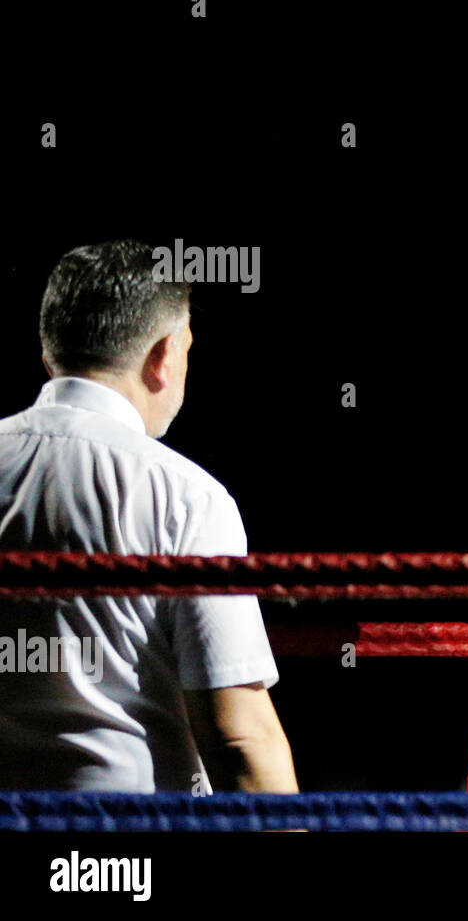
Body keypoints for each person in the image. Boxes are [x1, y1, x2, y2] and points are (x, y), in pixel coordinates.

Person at [0, 240, 298, 793]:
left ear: (50, 355)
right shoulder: (186, 496)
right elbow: (240, 739)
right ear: (163, 356)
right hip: (132, 830)